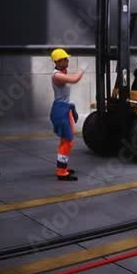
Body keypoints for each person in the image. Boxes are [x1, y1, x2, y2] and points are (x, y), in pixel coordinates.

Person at [50, 49, 83, 181]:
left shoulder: (62, 72)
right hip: (60, 110)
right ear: (57, 62)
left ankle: (62, 167)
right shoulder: (57, 76)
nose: (67, 61)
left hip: (65, 109)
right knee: (68, 141)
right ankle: (62, 172)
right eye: (65, 59)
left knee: (67, 140)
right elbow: (74, 79)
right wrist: (83, 69)